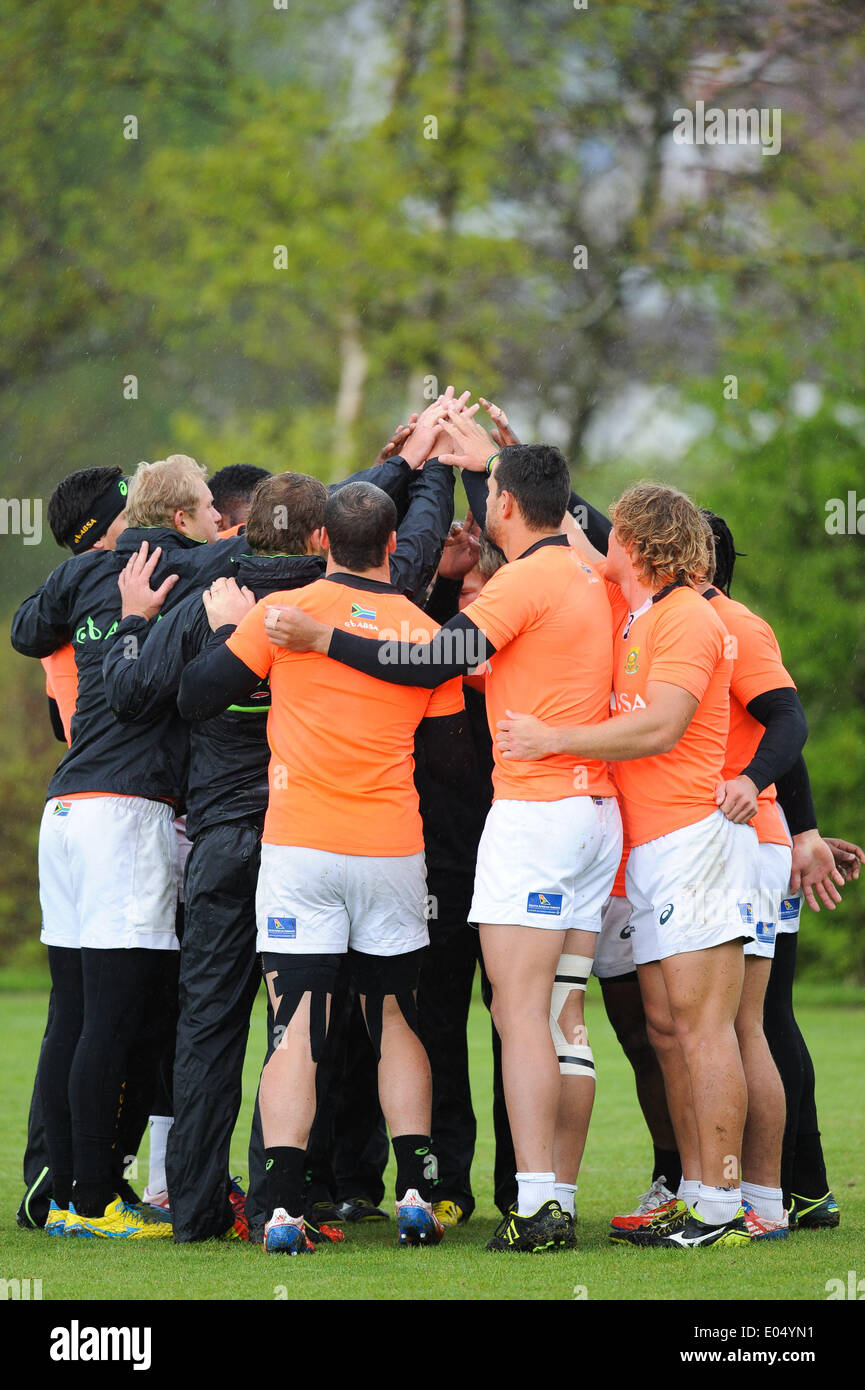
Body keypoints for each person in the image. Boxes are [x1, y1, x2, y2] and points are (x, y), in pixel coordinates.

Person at [264, 421, 623, 1255]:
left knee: (521, 1017)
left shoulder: (520, 586)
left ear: (503, 502)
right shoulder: (589, 569)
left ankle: (535, 1206)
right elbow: (562, 514)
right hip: (593, 818)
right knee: (565, 1017)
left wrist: (326, 639)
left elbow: (428, 663)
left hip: (535, 816)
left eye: (488, 494)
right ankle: (554, 1195)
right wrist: (491, 465)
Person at [102, 439, 457, 1242]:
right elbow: (449, 756)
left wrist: (230, 631)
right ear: (392, 547)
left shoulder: (275, 615)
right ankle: (411, 1192)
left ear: (324, 542)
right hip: (392, 846)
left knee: (295, 1021)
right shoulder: (416, 624)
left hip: (294, 843)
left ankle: (282, 1205)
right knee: (396, 1018)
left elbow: (194, 697)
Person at [499, 483, 761, 1249]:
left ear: (639, 548)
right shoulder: (642, 608)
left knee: (703, 1029)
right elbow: (573, 544)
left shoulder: (686, 617)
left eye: (616, 534)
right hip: (648, 849)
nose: (601, 542)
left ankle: (721, 1206)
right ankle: (695, 1193)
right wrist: (490, 459)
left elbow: (659, 727)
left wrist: (553, 740)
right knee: (667, 1029)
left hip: (692, 843)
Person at [10, 454, 249, 1239]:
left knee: (78, 1016)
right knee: (112, 1019)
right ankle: (91, 1201)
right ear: (180, 517)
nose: (221, 518)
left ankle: (66, 1189)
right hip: (126, 817)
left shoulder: (85, 576)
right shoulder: (176, 565)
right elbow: (273, 544)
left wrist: (94, 565)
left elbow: (25, 628)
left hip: (69, 812)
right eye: (210, 507)